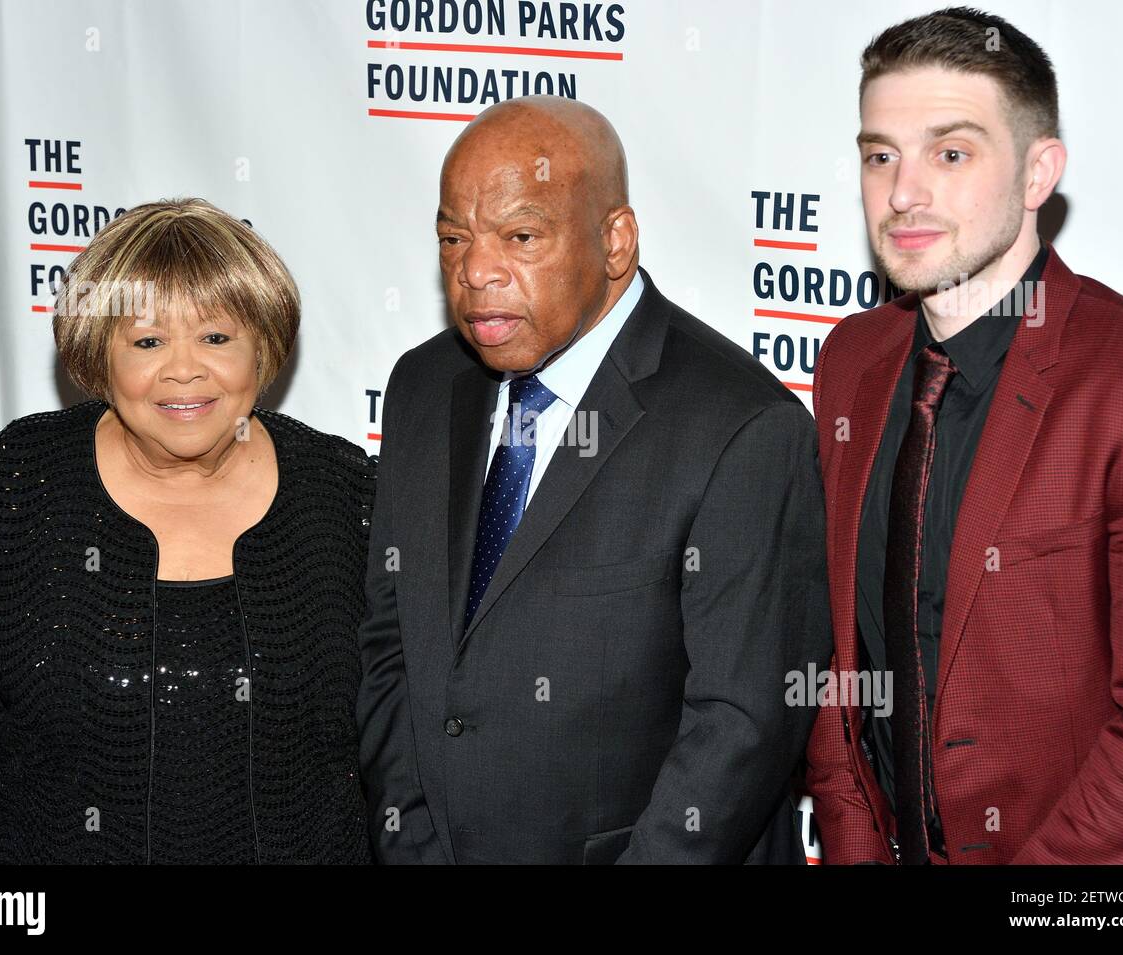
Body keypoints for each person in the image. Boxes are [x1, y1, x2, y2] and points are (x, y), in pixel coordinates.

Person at [356, 96, 831, 864]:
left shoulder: (743, 427)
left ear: (615, 242)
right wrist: (412, 842)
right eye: (454, 237)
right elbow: (390, 644)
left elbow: (742, 727)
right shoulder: (423, 385)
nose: (477, 271)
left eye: (520, 236)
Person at [805, 8, 1123, 864]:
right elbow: (837, 666)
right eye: (880, 155)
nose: (904, 191)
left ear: (1037, 171)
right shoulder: (849, 360)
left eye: (951, 153)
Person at [0, 198, 374, 863]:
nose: (183, 370)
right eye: (148, 341)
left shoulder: (344, 492)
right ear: (100, 351)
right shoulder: (12, 488)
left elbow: (395, 753)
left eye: (216, 337)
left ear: (263, 346)